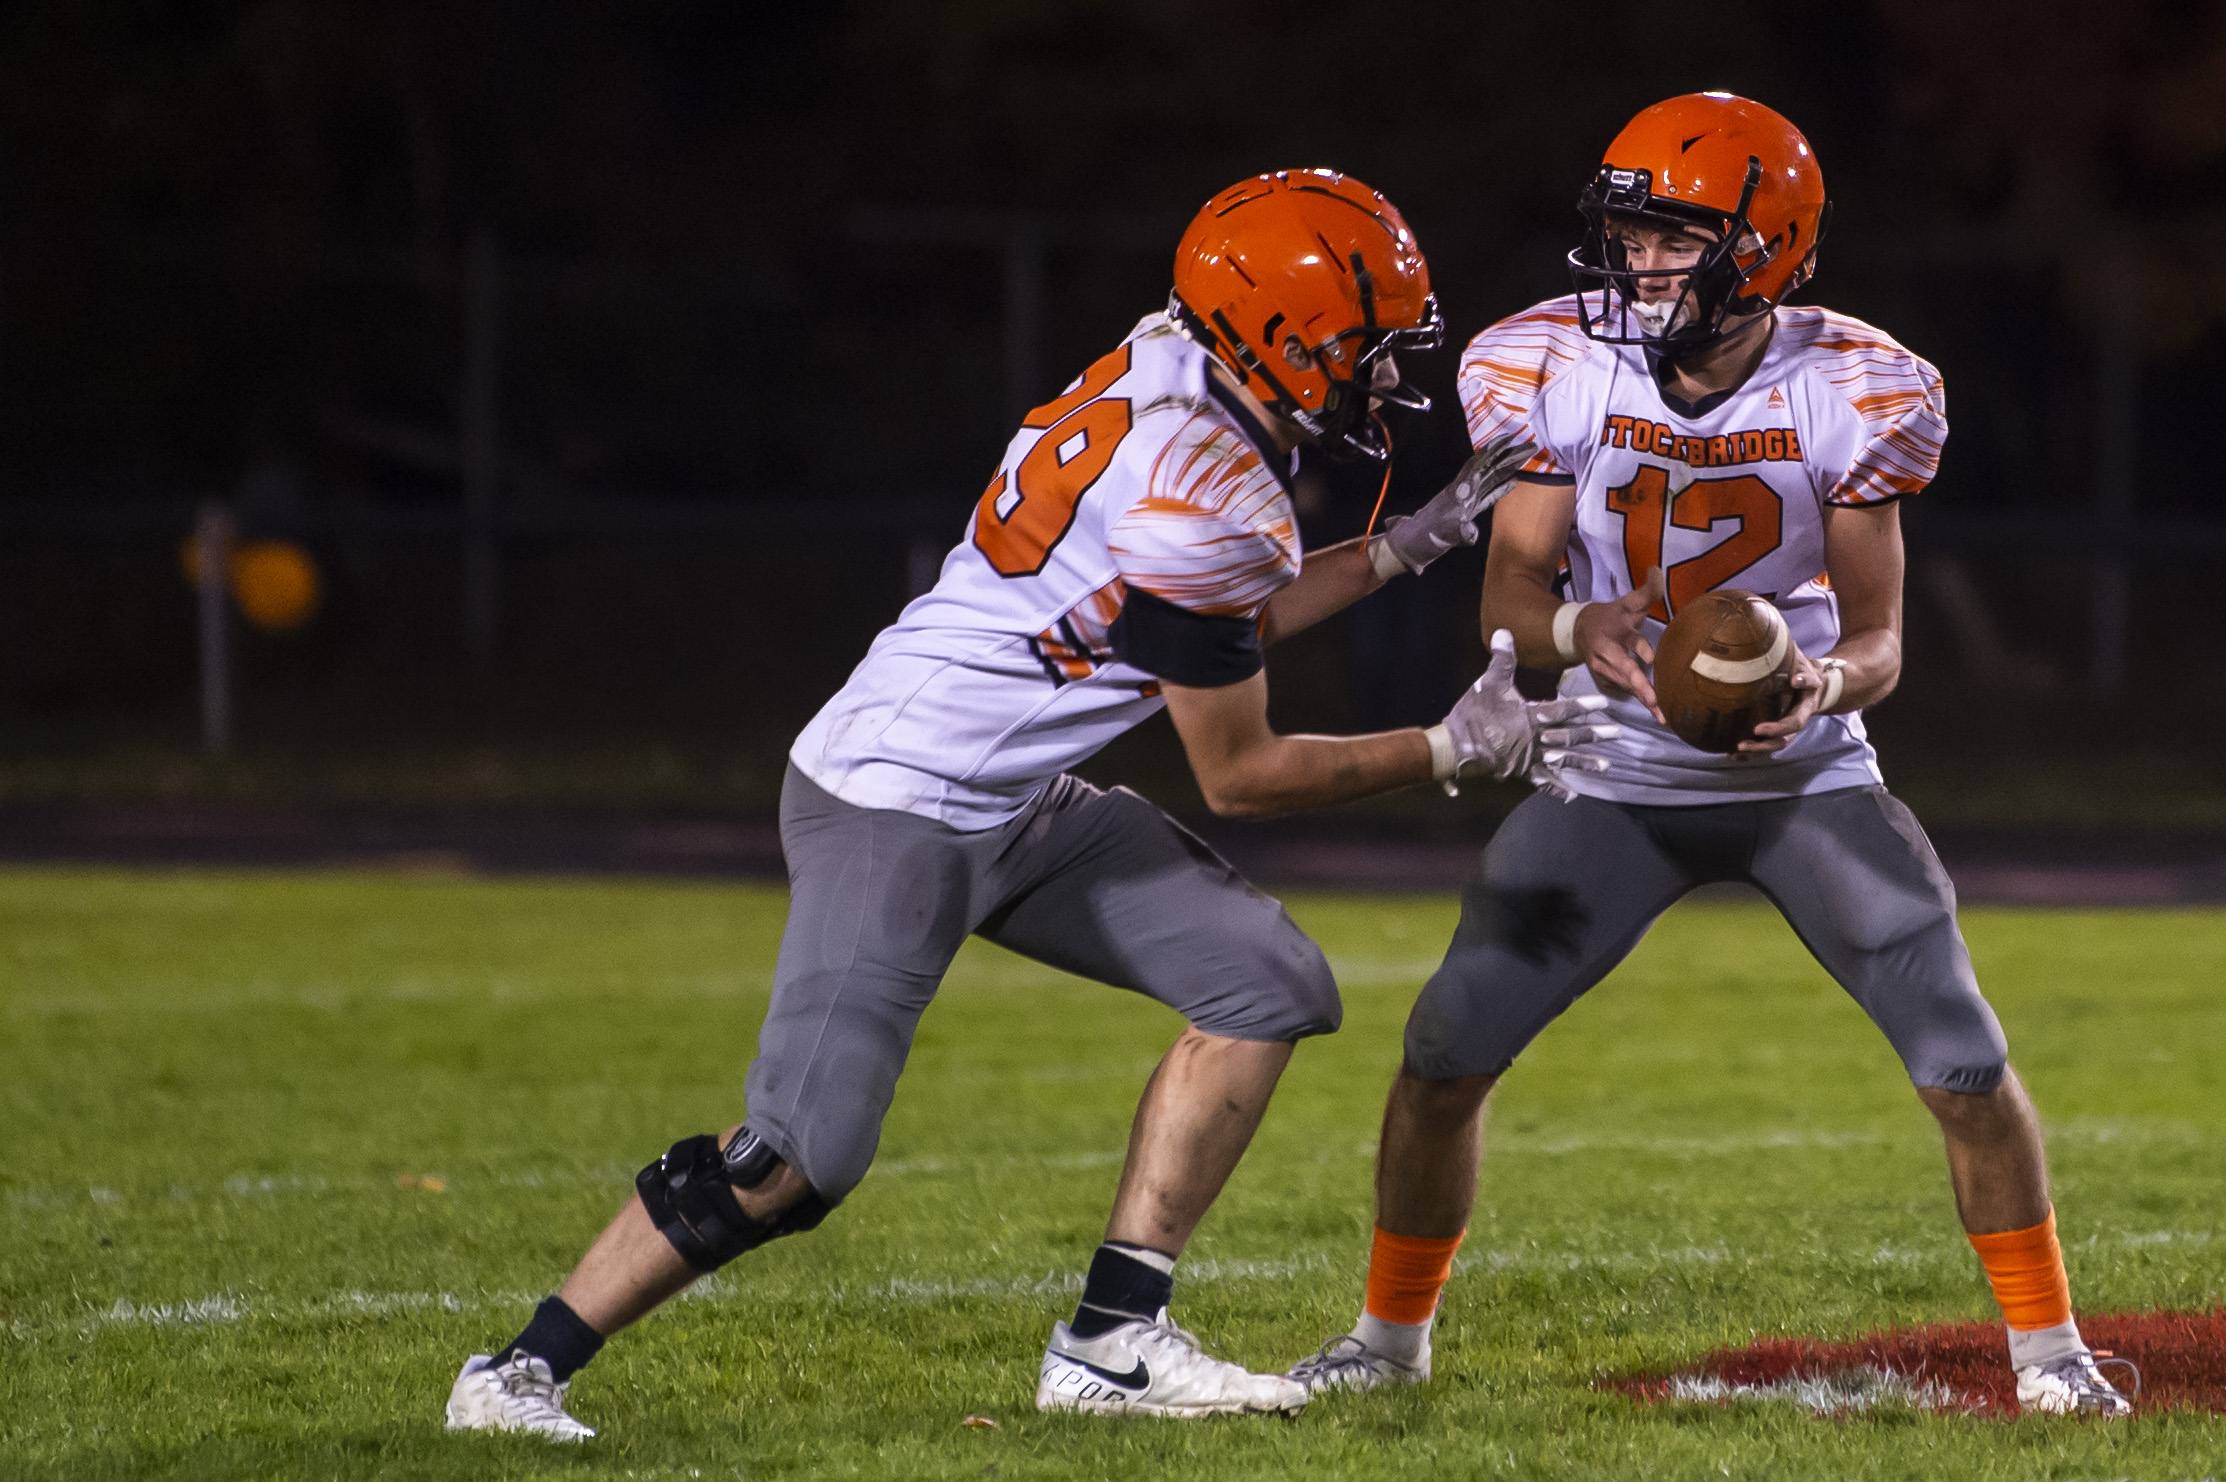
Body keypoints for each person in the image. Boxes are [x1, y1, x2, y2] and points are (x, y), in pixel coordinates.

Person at [442, 168, 1616, 1439]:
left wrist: (1408, 543)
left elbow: (1214, 616)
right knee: (797, 1161)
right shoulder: (1209, 491)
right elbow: (1242, 771)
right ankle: (516, 1373)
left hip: (1011, 792)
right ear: (1287, 338)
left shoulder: (1167, 360)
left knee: (1267, 985)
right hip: (899, 798)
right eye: (1370, 349)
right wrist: (1449, 747)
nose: (1388, 381)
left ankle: (1111, 1343)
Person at [1286, 94, 2137, 1418]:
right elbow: (1510, 591)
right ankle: (1385, 1340)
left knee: (1962, 1060)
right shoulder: (1548, 364)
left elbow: (1879, 637)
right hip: (1611, 774)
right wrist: (1582, 621)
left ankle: (2052, 1355)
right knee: (1445, 1050)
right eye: (1627, 233)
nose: (1637, 263)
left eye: (1672, 238)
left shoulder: (1859, 383)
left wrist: (1821, 681)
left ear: (1765, 249)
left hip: (1805, 777)